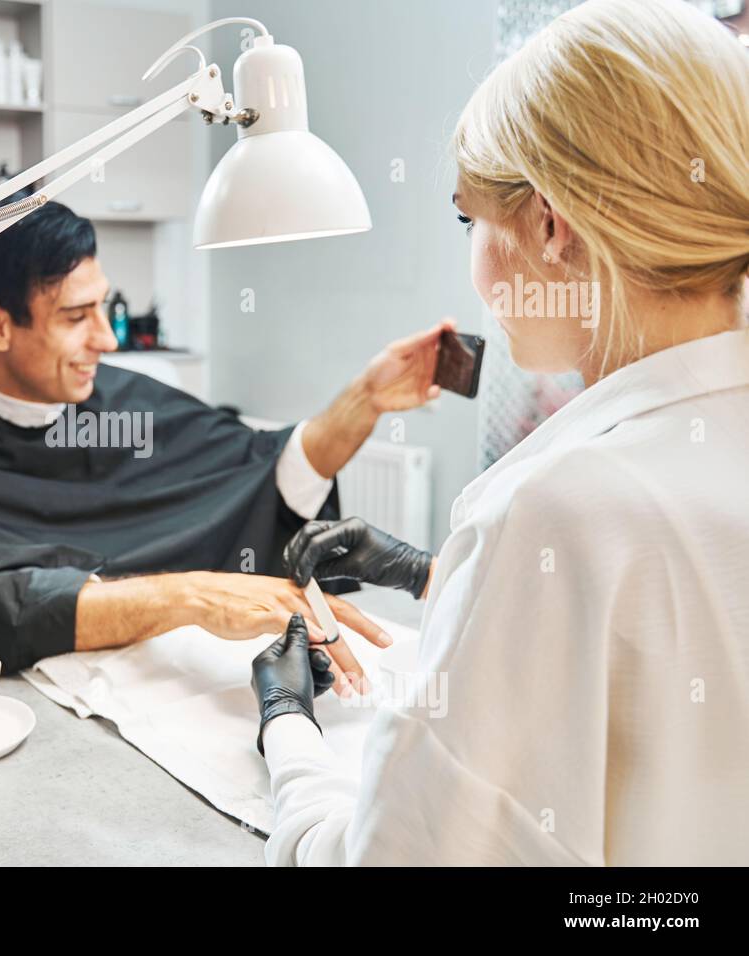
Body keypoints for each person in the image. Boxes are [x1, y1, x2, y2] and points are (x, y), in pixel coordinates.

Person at [251, 0, 749, 865]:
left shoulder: (557, 509)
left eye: (466, 219)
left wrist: (289, 729)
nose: (472, 258)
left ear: (551, 227)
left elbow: (383, 858)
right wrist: (433, 575)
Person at [0, 198, 452, 685]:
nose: (106, 339)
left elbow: (262, 470)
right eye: (76, 317)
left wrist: (365, 400)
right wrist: (194, 597)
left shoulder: (131, 402)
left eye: (102, 306)